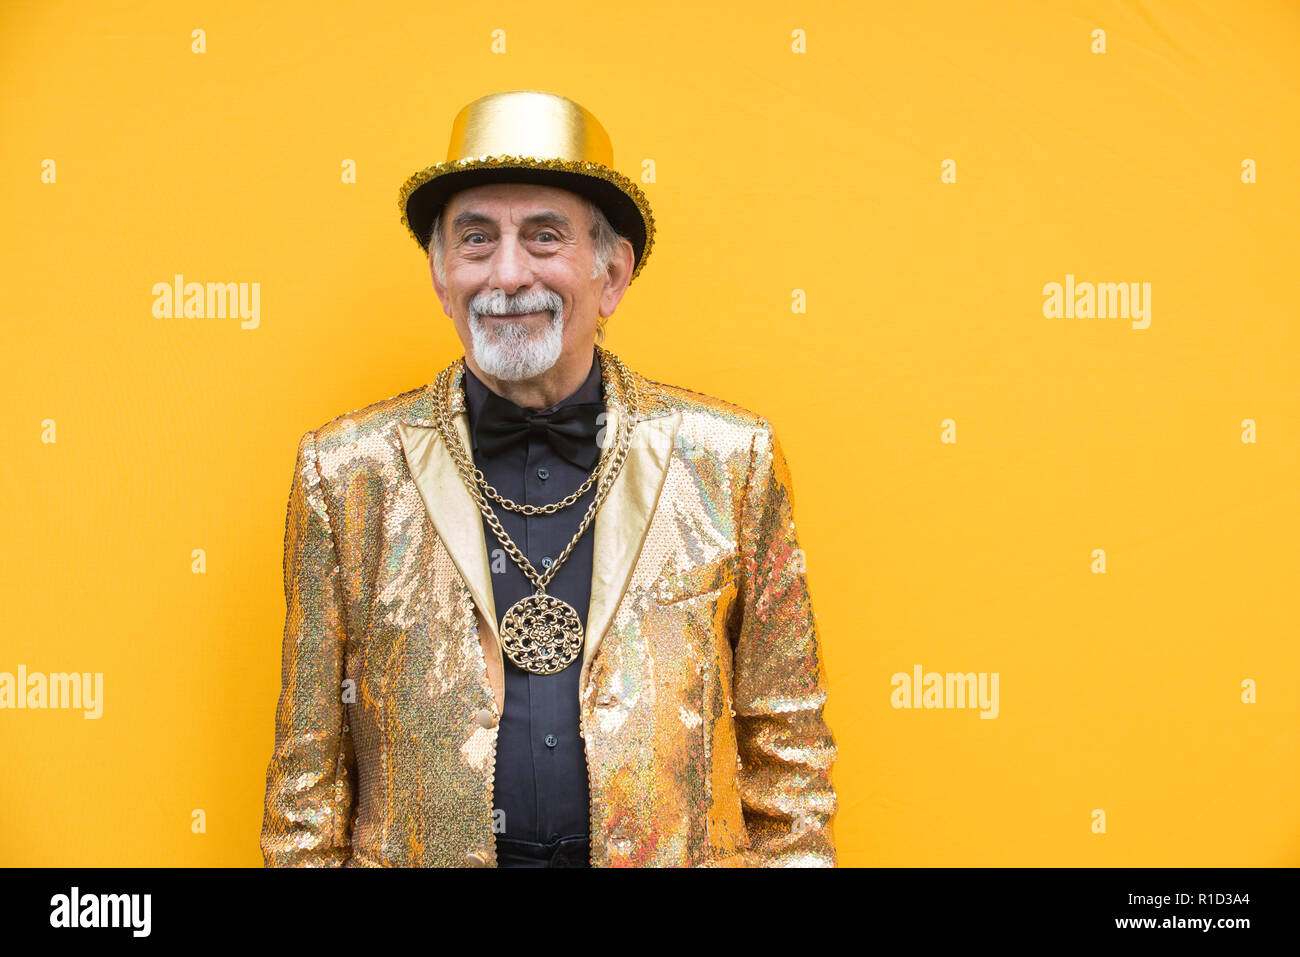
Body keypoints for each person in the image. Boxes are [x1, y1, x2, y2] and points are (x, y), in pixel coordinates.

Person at [260, 89, 837, 867]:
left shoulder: (732, 461)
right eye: (474, 239)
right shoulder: (344, 475)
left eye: (543, 236)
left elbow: (790, 757)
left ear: (612, 275)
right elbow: (307, 788)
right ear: (440, 277)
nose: (506, 273)